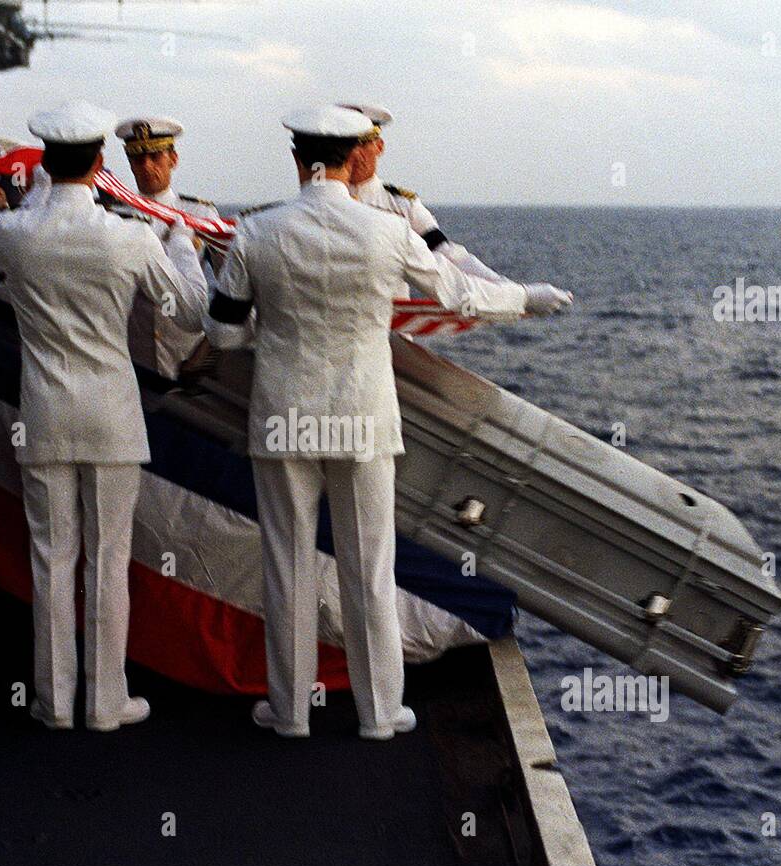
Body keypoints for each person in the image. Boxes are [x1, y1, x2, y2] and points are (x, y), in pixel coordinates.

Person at [204, 105, 572, 740]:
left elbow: (224, 331)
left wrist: (276, 332)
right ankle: (379, 713)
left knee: (285, 563)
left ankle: (290, 712)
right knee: (370, 564)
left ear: (298, 160)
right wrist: (526, 300)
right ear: (354, 161)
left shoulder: (256, 232)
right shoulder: (386, 232)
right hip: (362, 418)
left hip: (285, 416)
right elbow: (461, 293)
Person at [0, 100, 208, 731]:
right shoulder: (130, 235)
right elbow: (189, 311)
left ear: (46, 161)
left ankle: (54, 701)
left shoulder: (14, 233)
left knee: (50, 558)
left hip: (44, 413)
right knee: (108, 560)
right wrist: (183, 243)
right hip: (110, 411)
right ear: (103, 163)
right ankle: (106, 700)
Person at [339, 103, 529, 287]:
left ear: (379, 147)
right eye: (346, 145)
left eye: (362, 144)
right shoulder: (314, 199)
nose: (355, 154)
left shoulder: (401, 205)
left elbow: (445, 253)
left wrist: (507, 289)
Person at [114, 115, 222, 381]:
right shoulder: (115, 216)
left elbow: (227, 283)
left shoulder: (199, 213)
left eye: (155, 157)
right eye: (138, 159)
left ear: (173, 159)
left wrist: (210, 348)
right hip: (133, 357)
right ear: (129, 163)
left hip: (185, 355)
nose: (147, 166)